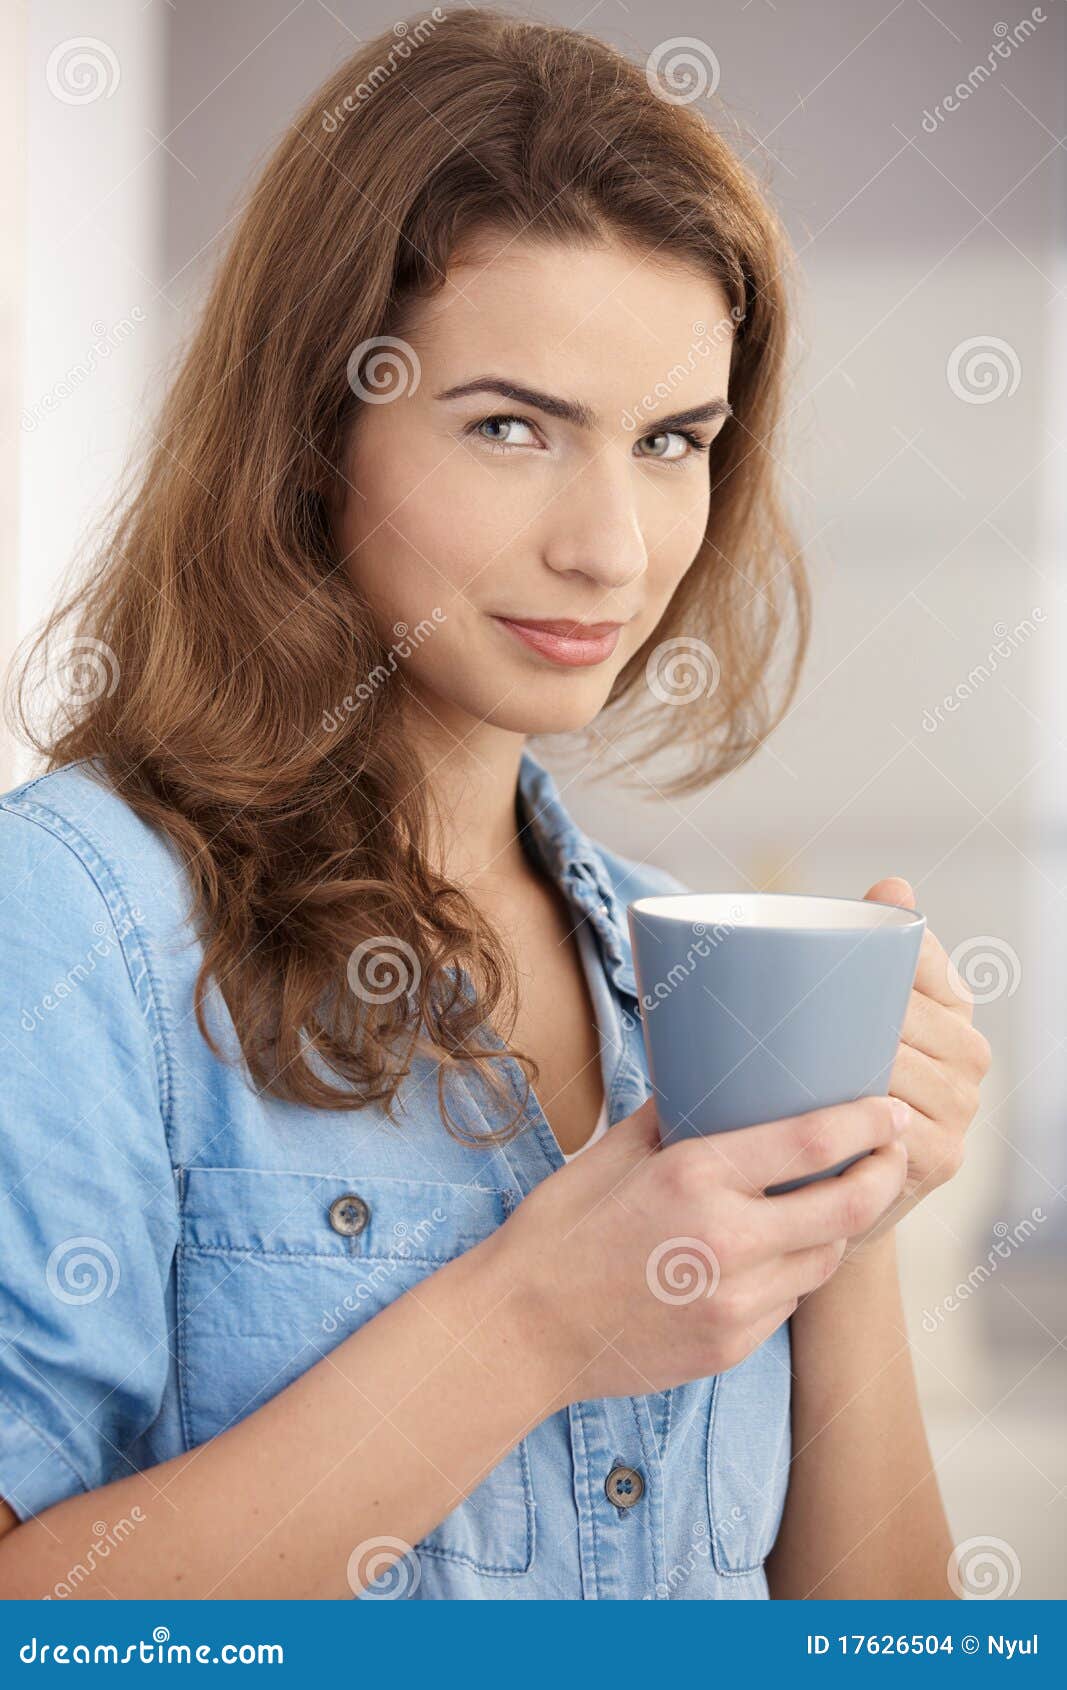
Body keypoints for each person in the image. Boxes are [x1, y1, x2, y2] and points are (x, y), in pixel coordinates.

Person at [0, 8, 990, 1601]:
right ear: (314, 432)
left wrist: (844, 1211)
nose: (613, 547)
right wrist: (528, 1324)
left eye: (672, 441)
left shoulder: (670, 958)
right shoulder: (73, 918)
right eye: (512, 428)